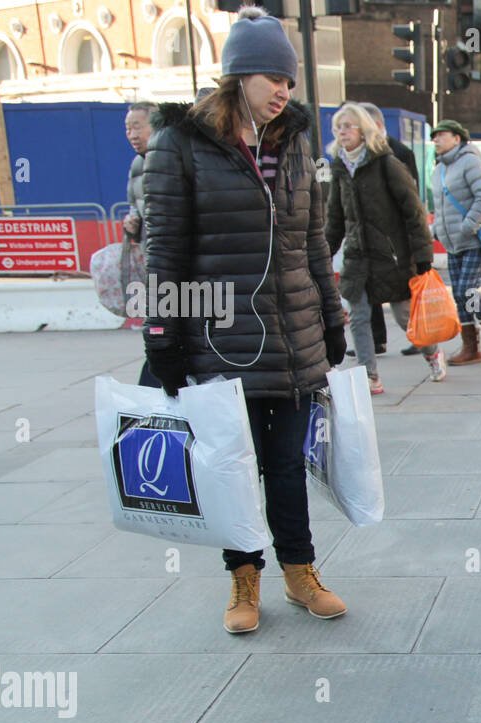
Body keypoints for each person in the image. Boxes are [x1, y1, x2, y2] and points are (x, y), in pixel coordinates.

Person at [141, 5, 347, 634]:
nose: (283, 92)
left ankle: (300, 573)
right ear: (238, 77)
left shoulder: (294, 143)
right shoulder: (180, 145)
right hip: (218, 343)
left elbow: (313, 240)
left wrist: (331, 315)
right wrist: (162, 337)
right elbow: (164, 250)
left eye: (288, 82)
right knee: (231, 470)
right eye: (271, 79)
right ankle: (243, 581)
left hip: (290, 338)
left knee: (286, 467)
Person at [326, 103, 444, 392]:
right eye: (338, 127)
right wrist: (324, 252)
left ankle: (432, 353)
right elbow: (335, 216)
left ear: (363, 130)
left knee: (406, 317)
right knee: (358, 317)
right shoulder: (339, 166)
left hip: (391, 257)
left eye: (348, 126)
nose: (342, 132)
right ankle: (370, 376)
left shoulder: (387, 163)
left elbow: (413, 211)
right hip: (357, 257)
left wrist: (423, 256)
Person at [430, 119, 481, 365]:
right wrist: (437, 229)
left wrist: (468, 226)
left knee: (467, 290)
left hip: (473, 238)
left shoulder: (470, 160)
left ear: (457, 138)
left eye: (441, 135)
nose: (436, 140)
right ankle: (470, 348)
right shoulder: (438, 169)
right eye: (434, 137)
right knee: (459, 295)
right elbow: (440, 206)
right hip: (451, 241)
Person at [357, 101, 424, 357]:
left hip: (393, 240)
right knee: (361, 298)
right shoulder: (352, 156)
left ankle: (425, 343)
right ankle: (375, 344)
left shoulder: (399, 153)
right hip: (363, 240)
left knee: (401, 303)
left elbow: (412, 201)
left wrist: (419, 248)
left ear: (375, 125)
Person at [123, 101, 161, 388]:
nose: (132, 134)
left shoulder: (172, 160)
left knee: (162, 336)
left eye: (138, 126)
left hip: (180, 273)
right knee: (157, 334)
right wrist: (132, 225)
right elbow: (136, 211)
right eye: (128, 128)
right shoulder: (137, 166)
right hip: (154, 269)